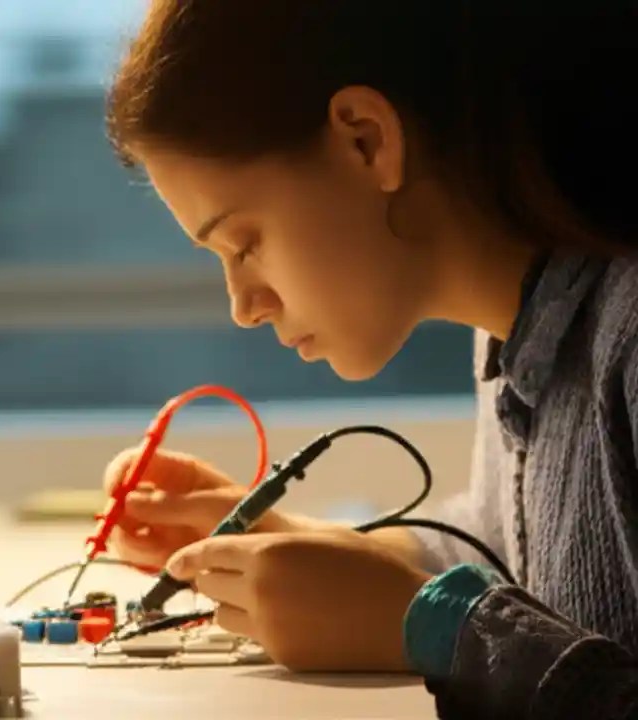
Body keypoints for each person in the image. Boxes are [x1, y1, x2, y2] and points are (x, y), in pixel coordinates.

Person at [99, 2, 638, 718]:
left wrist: (430, 625)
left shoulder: (627, 338)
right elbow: (510, 562)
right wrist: (287, 549)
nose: (243, 304)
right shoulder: (515, 336)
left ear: (366, 141)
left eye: (244, 243)